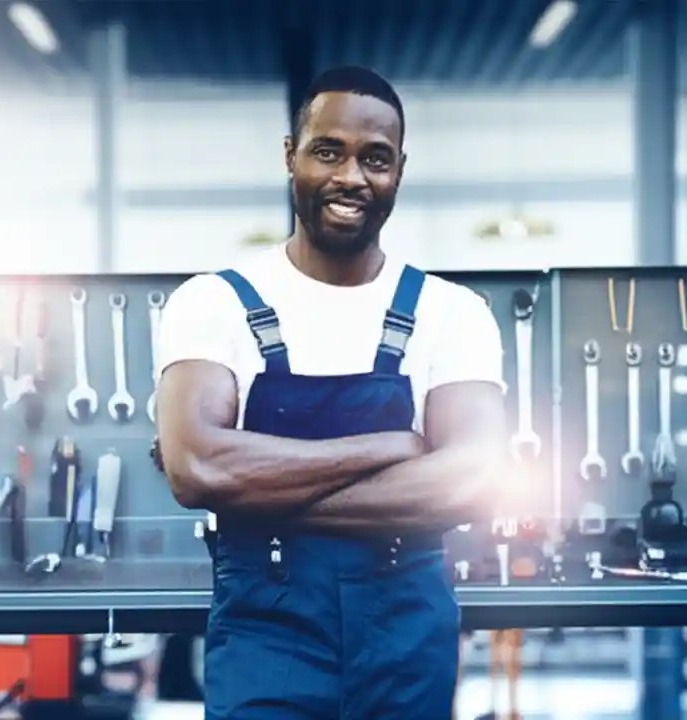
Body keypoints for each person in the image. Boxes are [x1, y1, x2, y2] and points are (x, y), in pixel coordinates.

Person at [154, 65, 513, 719]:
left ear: (400, 169)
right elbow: (197, 467)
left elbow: (470, 483)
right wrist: (394, 446)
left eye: (375, 158)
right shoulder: (212, 303)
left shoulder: (452, 313)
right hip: (267, 630)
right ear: (290, 156)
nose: (351, 177)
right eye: (329, 151)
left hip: (406, 636)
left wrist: (252, 492)